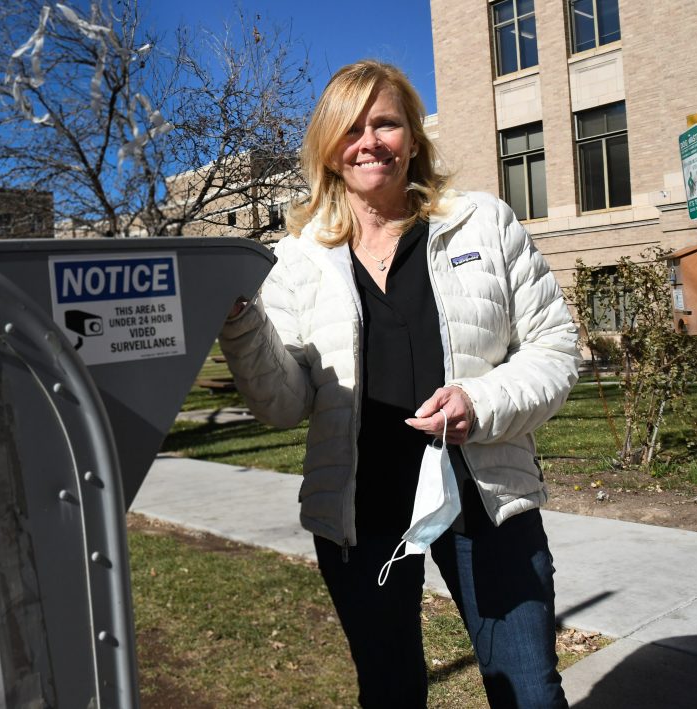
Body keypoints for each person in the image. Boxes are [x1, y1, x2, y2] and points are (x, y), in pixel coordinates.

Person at [220, 59, 580, 708]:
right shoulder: (297, 259)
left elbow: (555, 348)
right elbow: (285, 404)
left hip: (484, 501)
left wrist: (480, 402)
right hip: (361, 514)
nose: (369, 142)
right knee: (390, 695)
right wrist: (240, 323)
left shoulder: (483, 223)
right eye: (350, 128)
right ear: (328, 149)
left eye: (385, 123)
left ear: (413, 137)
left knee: (530, 693)